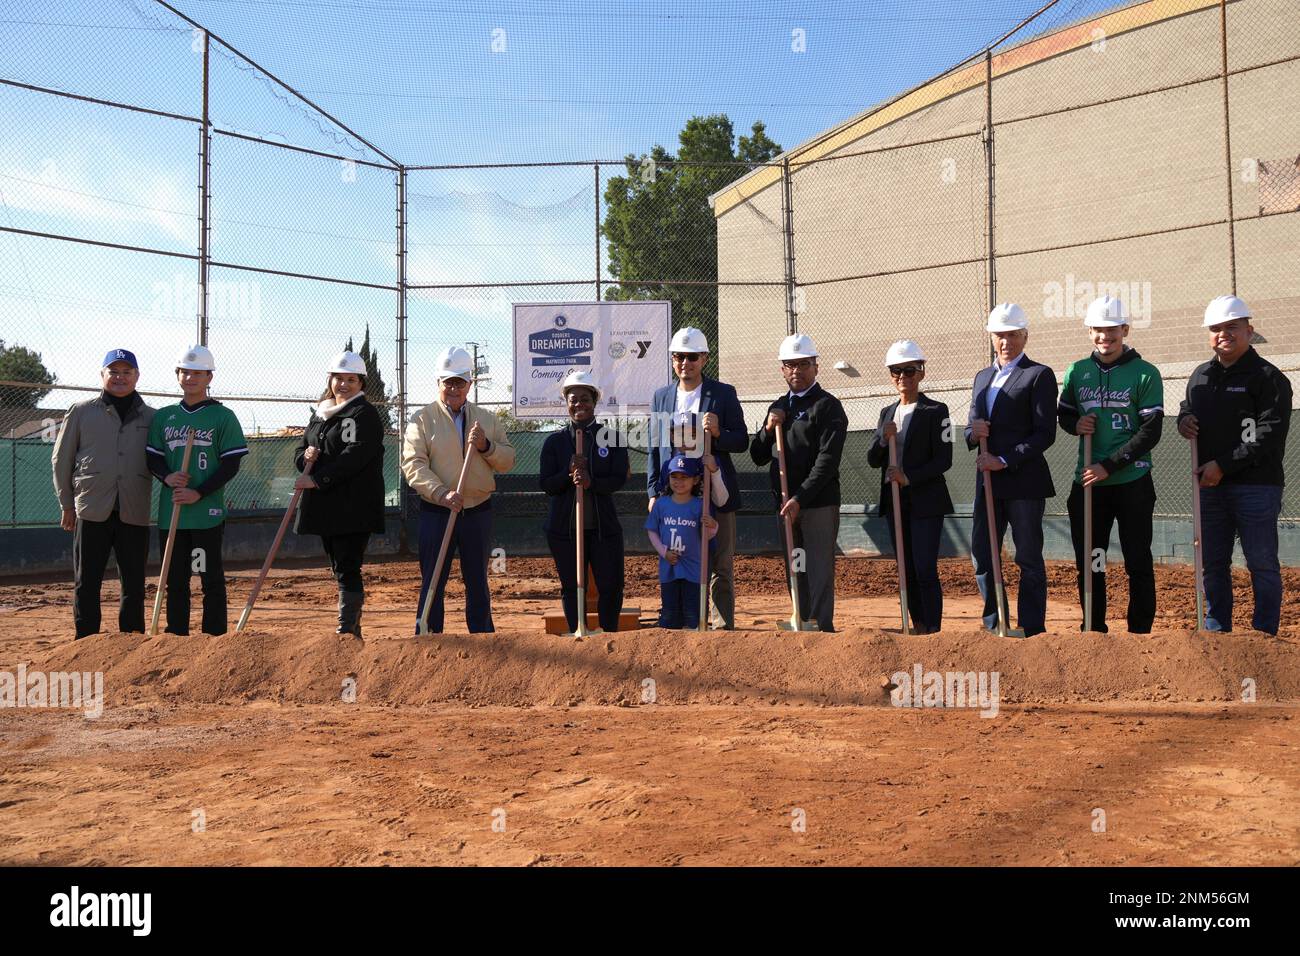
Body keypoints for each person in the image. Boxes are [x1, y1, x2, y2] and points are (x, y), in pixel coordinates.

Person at [1177, 295, 1292, 635]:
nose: (1223, 334)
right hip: (1210, 488)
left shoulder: (1268, 377)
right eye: (1216, 328)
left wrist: (1224, 465)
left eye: (1232, 327)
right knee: (1212, 564)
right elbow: (1186, 408)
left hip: (1256, 486)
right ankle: (1216, 631)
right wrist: (1183, 421)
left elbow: (1269, 435)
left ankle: (1264, 634)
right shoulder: (1201, 374)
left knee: (1261, 563)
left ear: (1249, 330)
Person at [1057, 296, 1164, 633]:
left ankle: (1140, 632)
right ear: (1090, 332)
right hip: (1088, 485)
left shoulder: (1145, 373)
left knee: (1137, 560)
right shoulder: (1078, 371)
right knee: (1093, 562)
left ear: (1125, 330)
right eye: (1099, 330)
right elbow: (1065, 413)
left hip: (1131, 482)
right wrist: (1075, 424)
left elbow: (1151, 432)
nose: (1105, 336)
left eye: (1112, 330)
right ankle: (1094, 627)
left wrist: (1110, 465)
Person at [401, 346, 515, 633]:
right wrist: (441, 493)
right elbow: (413, 464)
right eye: (447, 382)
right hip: (437, 511)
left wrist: (485, 447)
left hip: (477, 511)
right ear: (438, 382)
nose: (453, 388)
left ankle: (483, 638)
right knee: (433, 578)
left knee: (477, 578)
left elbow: (508, 460)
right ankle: (427, 634)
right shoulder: (422, 419)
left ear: (469, 384)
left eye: (459, 382)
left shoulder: (487, 419)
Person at [965, 304, 1057, 637]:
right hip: (987, 482)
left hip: (1023, 482)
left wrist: (1003, 460)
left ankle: (1031, 628)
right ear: (992, 337)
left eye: (1013, 335)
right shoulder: (982, 377)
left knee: (1028, 556)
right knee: (982, 553)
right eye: (1000, 335)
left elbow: (1045, 433)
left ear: (1025, 336)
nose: (1006, 341)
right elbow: (970, 429)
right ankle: (996, 624)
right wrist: (974, 434)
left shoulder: (1038, 375)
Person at [646, 326, 747, 629]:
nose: (684, 363)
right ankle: (683, 620)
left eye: (691, 357)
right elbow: (654, 447)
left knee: (720, 561)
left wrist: (719, 434)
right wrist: (653, 491)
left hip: (713, 487)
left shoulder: (723, 394)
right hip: (675, 492)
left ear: (704, 358)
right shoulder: (661, 397)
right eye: (678, 357)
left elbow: (742, 440)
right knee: (676, 556)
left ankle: (722, 626)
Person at [51, 348, 156, 639]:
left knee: (134, 584)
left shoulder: (153, 417)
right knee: (87, 581)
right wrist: (66, 504)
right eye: (114, 371)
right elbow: (61, 460)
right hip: (91, 508)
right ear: (102, 375)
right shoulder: (81, 412)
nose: (120, 377)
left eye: (126, 372)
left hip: (134, 509)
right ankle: (84, 642)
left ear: (137, 376)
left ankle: (132, 642)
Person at [146, 345, 248, 636]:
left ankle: (213, 638)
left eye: (197, 373)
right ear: (177, 375)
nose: (190, 377)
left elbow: (230, 464)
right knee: (175, 578)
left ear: (209, 377)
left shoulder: (222, 416)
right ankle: (176, 634)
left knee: (208, 576)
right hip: (172, 512)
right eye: (185, 372)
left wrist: (199, 492)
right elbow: (152, 457)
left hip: (205, 514)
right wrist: (167, 477)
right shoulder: (164, 417)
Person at [749, 333, 848, 633]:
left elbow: (827, 462)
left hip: (816, 504)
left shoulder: (828, 406)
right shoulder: (778, 407)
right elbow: (757, 456)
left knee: (818, 569)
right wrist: (767, 429)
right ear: (782, 370)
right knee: (797, 566)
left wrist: (800, 499)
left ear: (816, 367)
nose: (797, 371)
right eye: (790, 365)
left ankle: (821, 628)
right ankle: (800, 620)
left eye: (803, 364)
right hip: (785, 505)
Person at [293, 351, 386, 637]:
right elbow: (300, 450)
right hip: (326, 506)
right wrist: (304, 457)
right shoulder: (321, 413)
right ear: (330, 380)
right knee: (338, 565)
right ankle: (350, 628)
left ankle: (346, 631)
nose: (343, 385)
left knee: (347, 565)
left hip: (353, 506)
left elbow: (355, 455)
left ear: (361, 384)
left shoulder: (364, 414)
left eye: (351, 380)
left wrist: (319, 479)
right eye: (338, 379)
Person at [866, 340, 954, 634]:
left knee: (925, 568)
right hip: (895, 503)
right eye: (896, 371)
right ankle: (916, 625)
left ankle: (933, 630)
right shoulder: (885, 413)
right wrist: (882, 438)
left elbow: (944, 460)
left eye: (909, 370)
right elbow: (872, 459)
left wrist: (909, 477)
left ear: (921, 372)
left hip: (926, 501)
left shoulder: (936, 411)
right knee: (906, 569)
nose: (903, 377)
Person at [539, 370, 628, 633]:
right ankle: (579, 630)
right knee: (571, 585)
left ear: (594, 401)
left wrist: (592, 483)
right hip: (564, 531)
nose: (579, 404)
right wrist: (568, 475)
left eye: (585, 398)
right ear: (566, 403)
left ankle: (608, 633)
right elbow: (546, 485)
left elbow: (618, 479)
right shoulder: (554, 442)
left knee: (610, 585)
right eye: (573, 399)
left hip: (603, 529)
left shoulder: (611, 437)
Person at [646, 454, 719, 628]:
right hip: (669, 566)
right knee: (670, 613)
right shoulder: (661, 504)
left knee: (693, 613)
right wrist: (663, 552)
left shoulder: (700, 505)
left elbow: (706, 536)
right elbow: (651, 530)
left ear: (695, 480)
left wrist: (713, 525)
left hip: (693, 567)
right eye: (674, 476)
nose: (679, 481)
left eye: (684, 477)